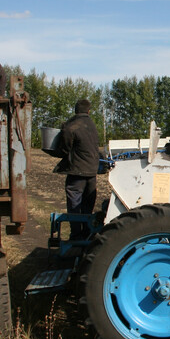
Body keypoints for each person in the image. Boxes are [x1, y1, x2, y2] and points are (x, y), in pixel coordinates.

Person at [55, 99, 101, 239]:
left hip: (77, 172)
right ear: (89, 111)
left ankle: (76, 236)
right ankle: (87, 234)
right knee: (88, 205)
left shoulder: (72, 126)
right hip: (92, 172)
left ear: (76, 111)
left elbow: (64, 149)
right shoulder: (92, 126)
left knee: (75, 205)